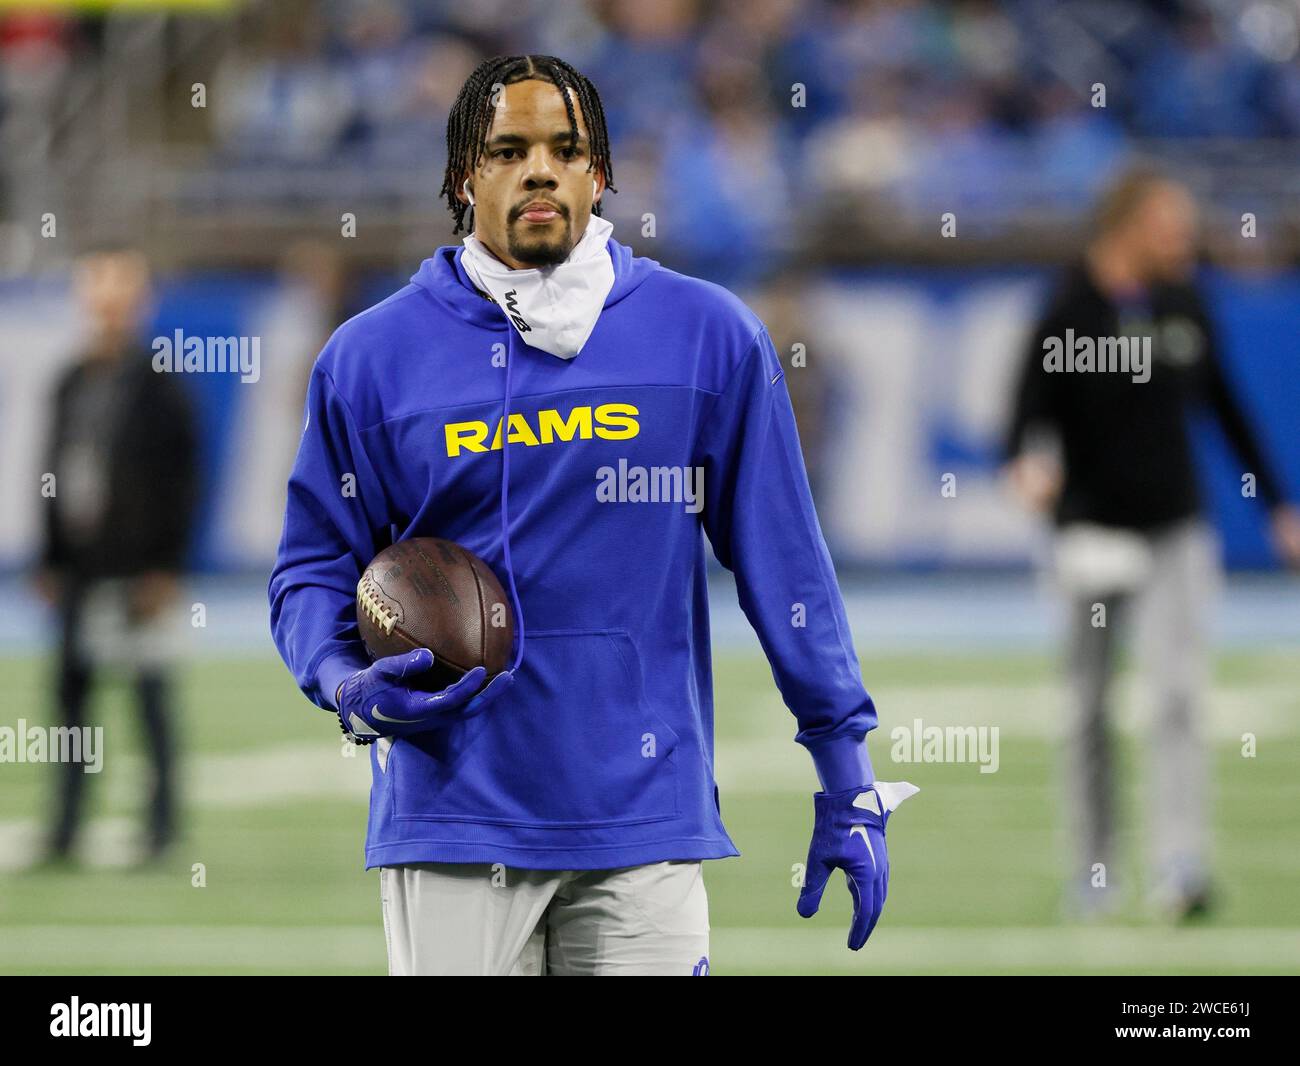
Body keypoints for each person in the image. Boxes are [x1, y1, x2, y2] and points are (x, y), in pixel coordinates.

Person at [269, 54, 915, 976]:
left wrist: (847, 772)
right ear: (464, 177)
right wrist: (340, 676)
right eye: (508, 150)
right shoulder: (370, 359)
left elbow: (788, 570)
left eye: (566, 149)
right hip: (454, 818)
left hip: (643, 820)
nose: (541, 169)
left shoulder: (708, 336)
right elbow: (310, 569)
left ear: (601, 174)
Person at [1004, 167, 1300, 921]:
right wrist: (1029, 463)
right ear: (1127, 223)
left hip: (1175, 526)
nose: (1184, 237)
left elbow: (1225, 404)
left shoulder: (1183, 300)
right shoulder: (1070, 302)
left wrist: (1276, 503)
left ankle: (1179, 865)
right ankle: (1096, 871)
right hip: (1091, 535)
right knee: (1089, 710)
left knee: (1177, 698)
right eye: (1169, 223)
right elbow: (1023, 410)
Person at [36, 246, 201, 866]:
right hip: (81, 565)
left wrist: (167, 566)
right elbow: (50, 467)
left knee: (150, 698)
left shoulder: (161, 386)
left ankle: (160, 828)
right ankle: (65, 828)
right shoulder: (70, 378)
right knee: (71, 706)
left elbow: (184, 482)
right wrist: (51, 554)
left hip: (138, 570)